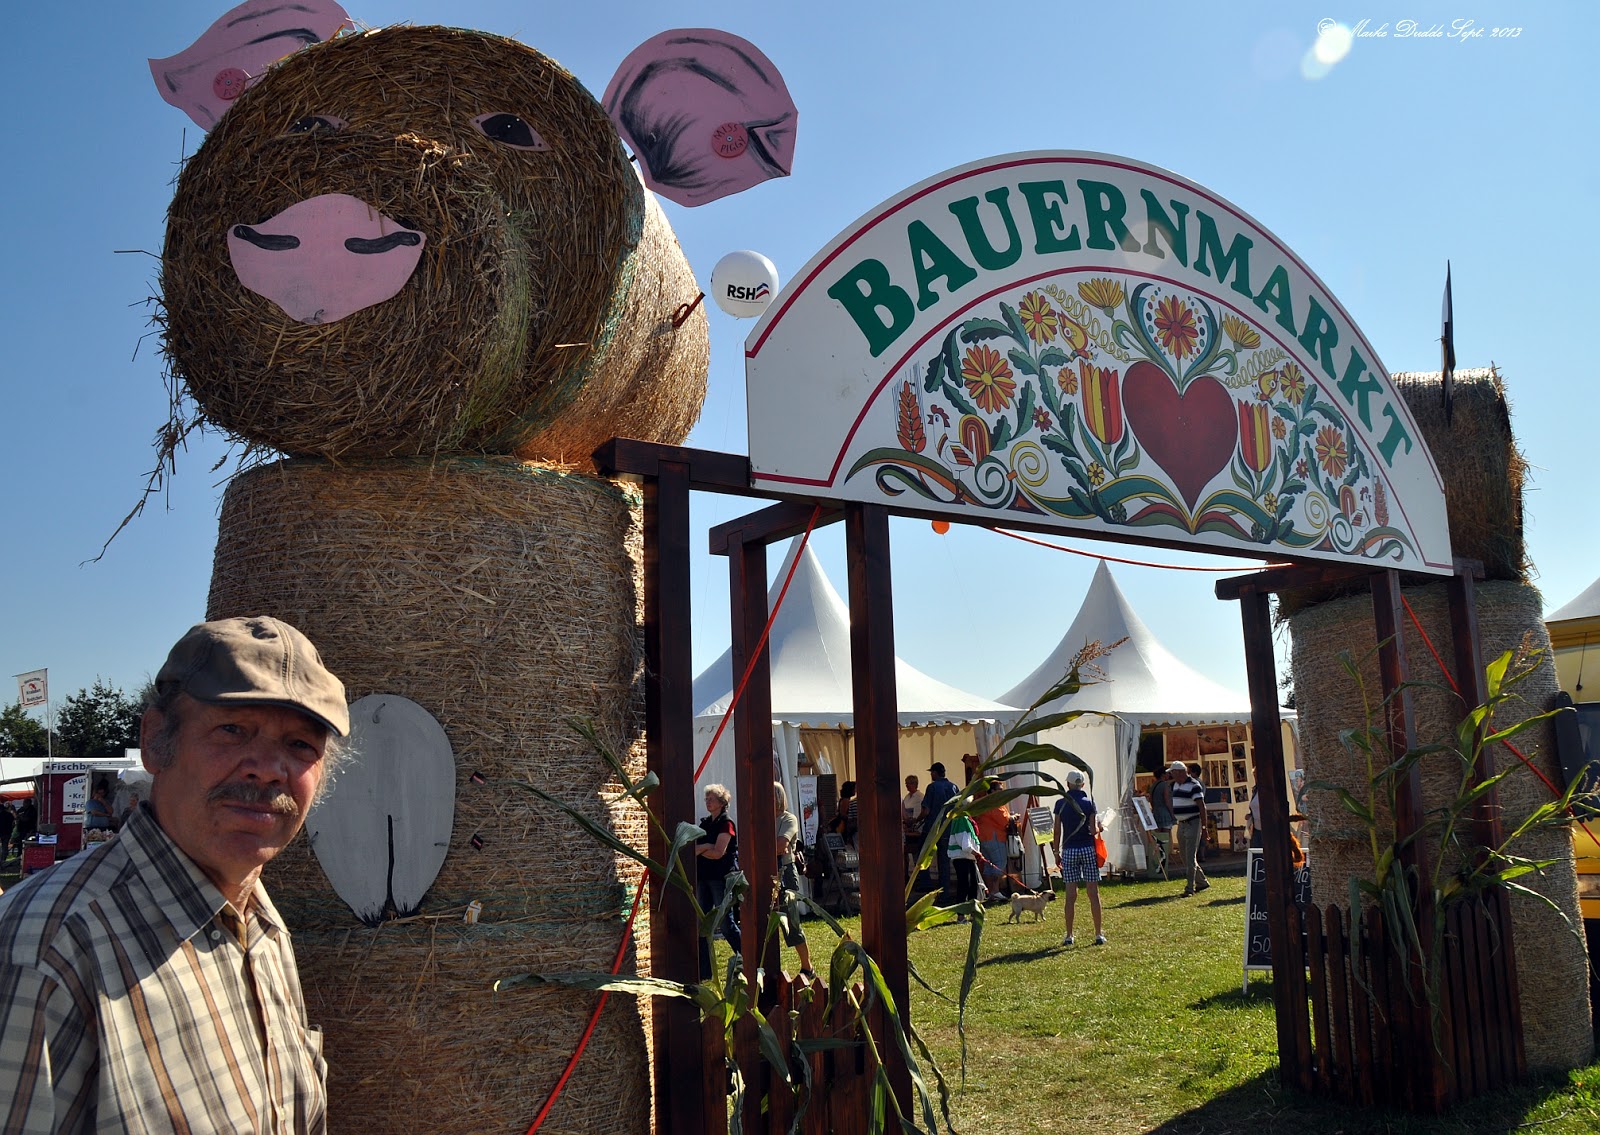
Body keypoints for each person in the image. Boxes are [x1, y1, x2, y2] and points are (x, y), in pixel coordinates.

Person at [0, 615, 349, 1133]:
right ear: (156, 739)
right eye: (233, 729)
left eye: (301, 745)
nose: (269, 768)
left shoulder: (262, 928)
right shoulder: (48, 946)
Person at [1052, 769, 1105, 946]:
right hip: (1088, 848)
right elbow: (1092, 830)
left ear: (1067, 784)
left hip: (1069, 850)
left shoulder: (1061, 803)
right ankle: (1098, 934)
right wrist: (1100, 828)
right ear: (1082, 784)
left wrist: (1056, 852)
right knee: (1093, 893)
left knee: (1070, 895)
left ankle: (1069, 935)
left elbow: (1057, 830)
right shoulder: (1089, 803)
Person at [695, 782, 742, 978]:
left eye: (711, 799)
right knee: (703, 924)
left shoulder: (726, 823)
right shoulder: (705, 823)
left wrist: (704, 847)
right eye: (706, 799)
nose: (707, 802)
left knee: (724, 922)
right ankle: (704, 972)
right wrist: (707, 846)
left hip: (720, 878)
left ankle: (745, 955)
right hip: (703, 877)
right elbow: (695, 849)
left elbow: (718, 852)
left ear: (721, 802)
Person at [773, 782, 814, 978]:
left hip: (785, 872)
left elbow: (781, 845)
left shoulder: (788, 818)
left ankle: (807, 966)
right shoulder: (763, 819)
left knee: (791, 921)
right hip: (767, 872)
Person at [1170, 759, 1210, 895]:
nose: (1172, 775)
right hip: (1182, 823)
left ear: (1180, 772)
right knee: (1184, 855)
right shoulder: (1175, 785)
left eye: (1173, 773)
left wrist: (1204, 828)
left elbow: (1201, 806)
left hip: (1193, 822)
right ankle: (1202, 882)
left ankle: (1189, 888)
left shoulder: (1194, 785)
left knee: (1190, 856)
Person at [920, 762, 958, 897]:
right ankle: (944, 892)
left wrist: (916, 821)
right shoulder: (954, 787)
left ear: (935, 773)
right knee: (944, 862)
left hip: (933, 829)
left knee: (923, 857)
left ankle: (925, 885)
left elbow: (926, 810)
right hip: (949, 828)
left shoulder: (932, 787)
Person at [945, 810, 986, 922]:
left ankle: (973, 913)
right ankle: (961, 915)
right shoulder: (962, 819)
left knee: (973, 885)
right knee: (964, 885)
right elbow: (965, 845)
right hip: (962, 858)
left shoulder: (966, 820)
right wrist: (977, 853)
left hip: (969, 858)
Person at [973, 779, 1011, 895]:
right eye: (999, 790)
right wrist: (1012, 817)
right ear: (992, 791)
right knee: (999, 863)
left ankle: (990, 892)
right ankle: (995, 891)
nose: (1001, 792)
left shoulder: (981, 801)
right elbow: (1004, 820)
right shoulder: (994, 802)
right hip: (994, 837)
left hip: (983, 837)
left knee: (988, 866)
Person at [1149, 764, 1176, 876]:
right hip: (1164, 811)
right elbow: (1167, 800)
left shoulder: (1153, 785)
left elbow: (1151, 800)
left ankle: (1160, 858)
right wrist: (1172, 813)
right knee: (1166, 836)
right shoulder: (1165, 785)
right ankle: (1166, 859)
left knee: (1158, 836)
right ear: (1163, 774)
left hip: (1156, 811)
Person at [900, 774, 924, 880]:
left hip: (916, 828)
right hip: (907, 828)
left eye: (908, 784)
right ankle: (906, 875)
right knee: (905, 853)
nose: (906, 786)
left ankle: (919, 877)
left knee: (917, 855)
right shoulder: (906, 797)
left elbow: (919, 814)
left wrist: (912, 821)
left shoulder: (920, 797)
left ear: (914, 784)